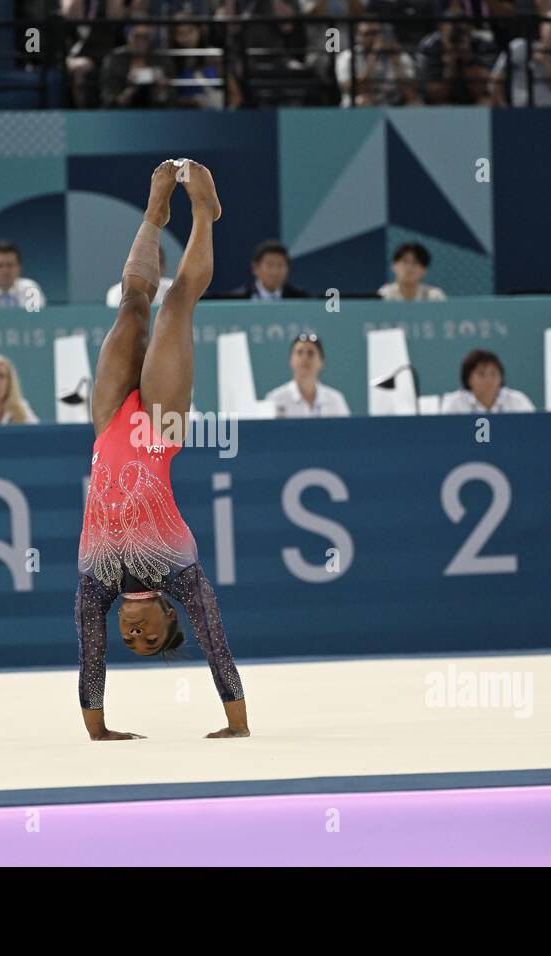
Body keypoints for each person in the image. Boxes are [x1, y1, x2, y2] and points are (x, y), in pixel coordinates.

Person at [75, 159, 248, 741]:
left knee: (131, 305)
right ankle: (205, 213)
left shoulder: (94, 583)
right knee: (175, 305)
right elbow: (218, 648)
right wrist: (236, 725)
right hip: (159, 430)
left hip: (105, 428)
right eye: (151, 636)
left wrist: (99, 732)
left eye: (133, 642)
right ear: (170, 615)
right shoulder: (181, 573)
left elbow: (89, 662)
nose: (134, 633)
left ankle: (154, 212)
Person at [491, 9, 551, 107]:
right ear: (542, 29)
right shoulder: (519, 47)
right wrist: (503, 108)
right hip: (519, 111)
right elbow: (495, 81)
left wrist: (547, 63)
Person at [263, 333, 351, 417]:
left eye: (310, 353)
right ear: (291, 360)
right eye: (299, 352)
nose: (304, 358)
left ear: (321, 362)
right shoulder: (275, 400)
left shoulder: (335, 400)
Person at [440, 349, 535, 413]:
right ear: (468, 378)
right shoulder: (455, 403)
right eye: (481, 374)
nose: (488, 379)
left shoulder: (518, 401)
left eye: (493, 373)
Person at [229, 240, 309, 299]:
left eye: (280, 265)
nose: (275, 272)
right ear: (255, 268)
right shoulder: (238, 299)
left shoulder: (302, 299)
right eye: (269, 265)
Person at [378, 242, 446, 301]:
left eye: (415, 263)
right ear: (393, 266)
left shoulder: (434, 297)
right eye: (405, 261)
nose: (409, 268)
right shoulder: (385, 295)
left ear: (424, 270)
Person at [106, 247, 173, 307]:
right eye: (146, 262)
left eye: (158, 262)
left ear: (164, 267)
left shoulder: (173, 289)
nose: (153, 268)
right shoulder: (117, 293)